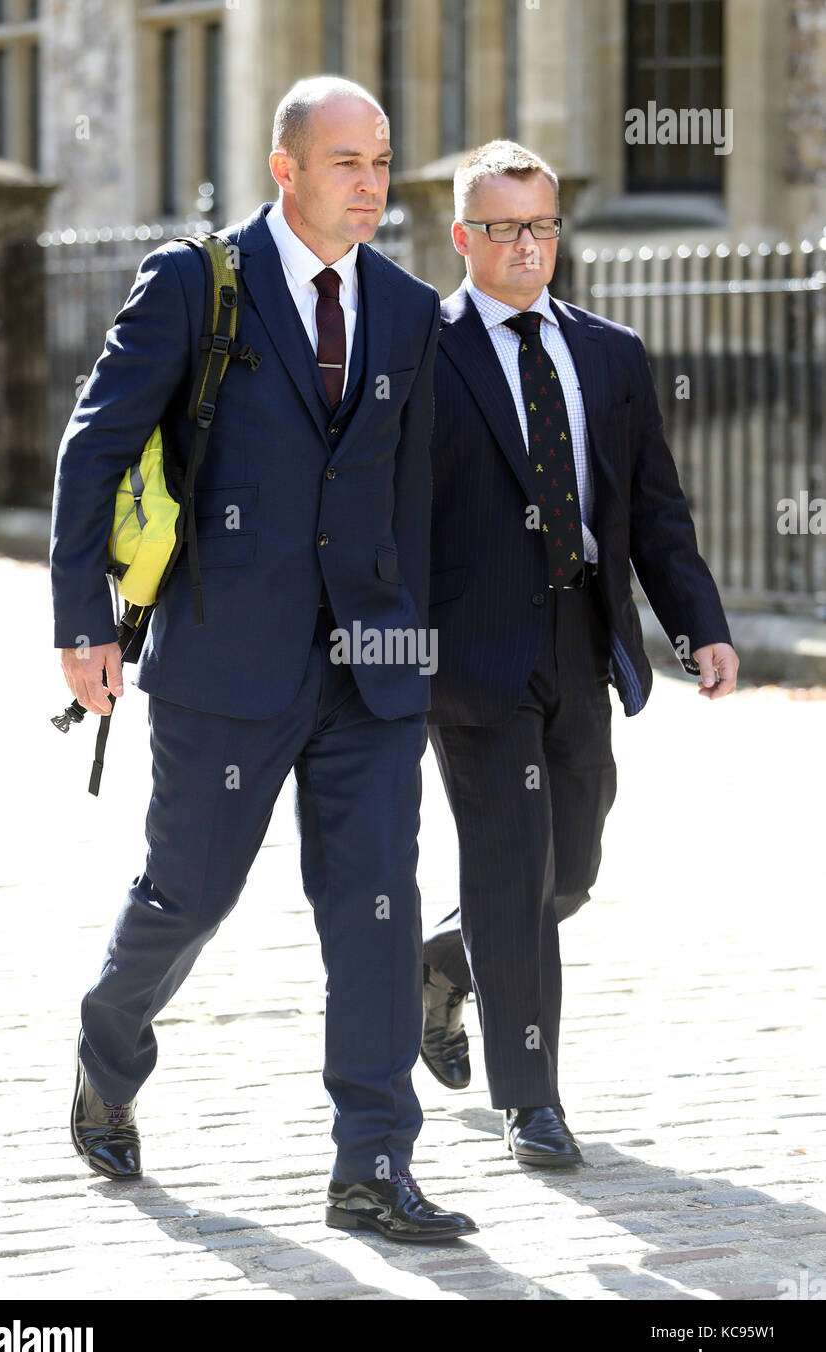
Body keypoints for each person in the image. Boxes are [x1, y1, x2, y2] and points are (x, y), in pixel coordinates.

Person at [50, 76, 477, 1243]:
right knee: (189, 895)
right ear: (284, 166)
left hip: (369, 670)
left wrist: (421, 645)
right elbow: (95, 444)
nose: (371, 184)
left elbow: (413, 494)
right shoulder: (196, 281)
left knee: (377, 910)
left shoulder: (403, 305)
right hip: (224, 663)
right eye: (347, 161)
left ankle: (371, 1163)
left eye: (382, 163)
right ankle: (108, 1046)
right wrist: (83, 620)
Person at [420, 141, 739, 1169]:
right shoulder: (421, 351)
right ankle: (532, 1098)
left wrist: (699, 622)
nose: (527, 247)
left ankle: (439, 958)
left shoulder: (607, 352)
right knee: (513, 874)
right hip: (471, 657)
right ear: (462, 236)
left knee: (571, 864)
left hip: (581, 640)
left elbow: (652, 507)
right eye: (505, 228)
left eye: (543, 225)